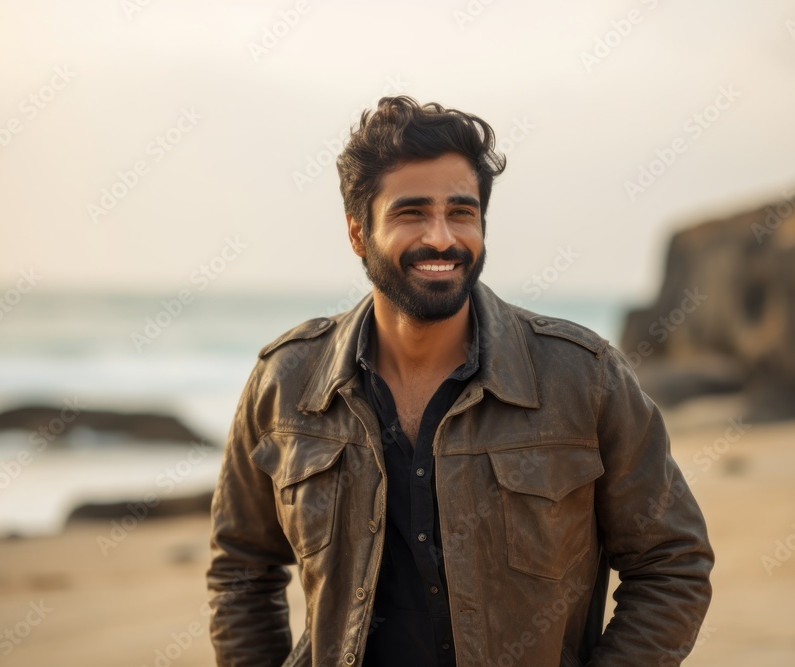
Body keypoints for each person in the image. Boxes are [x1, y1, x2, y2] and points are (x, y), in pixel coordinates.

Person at [206, 96, 714, 667]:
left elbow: (673, 563)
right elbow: (241, 569)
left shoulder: (583, 377)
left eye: (462, 212)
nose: (443, 238)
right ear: (357, 233)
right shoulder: (286, 381)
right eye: (411, 212)